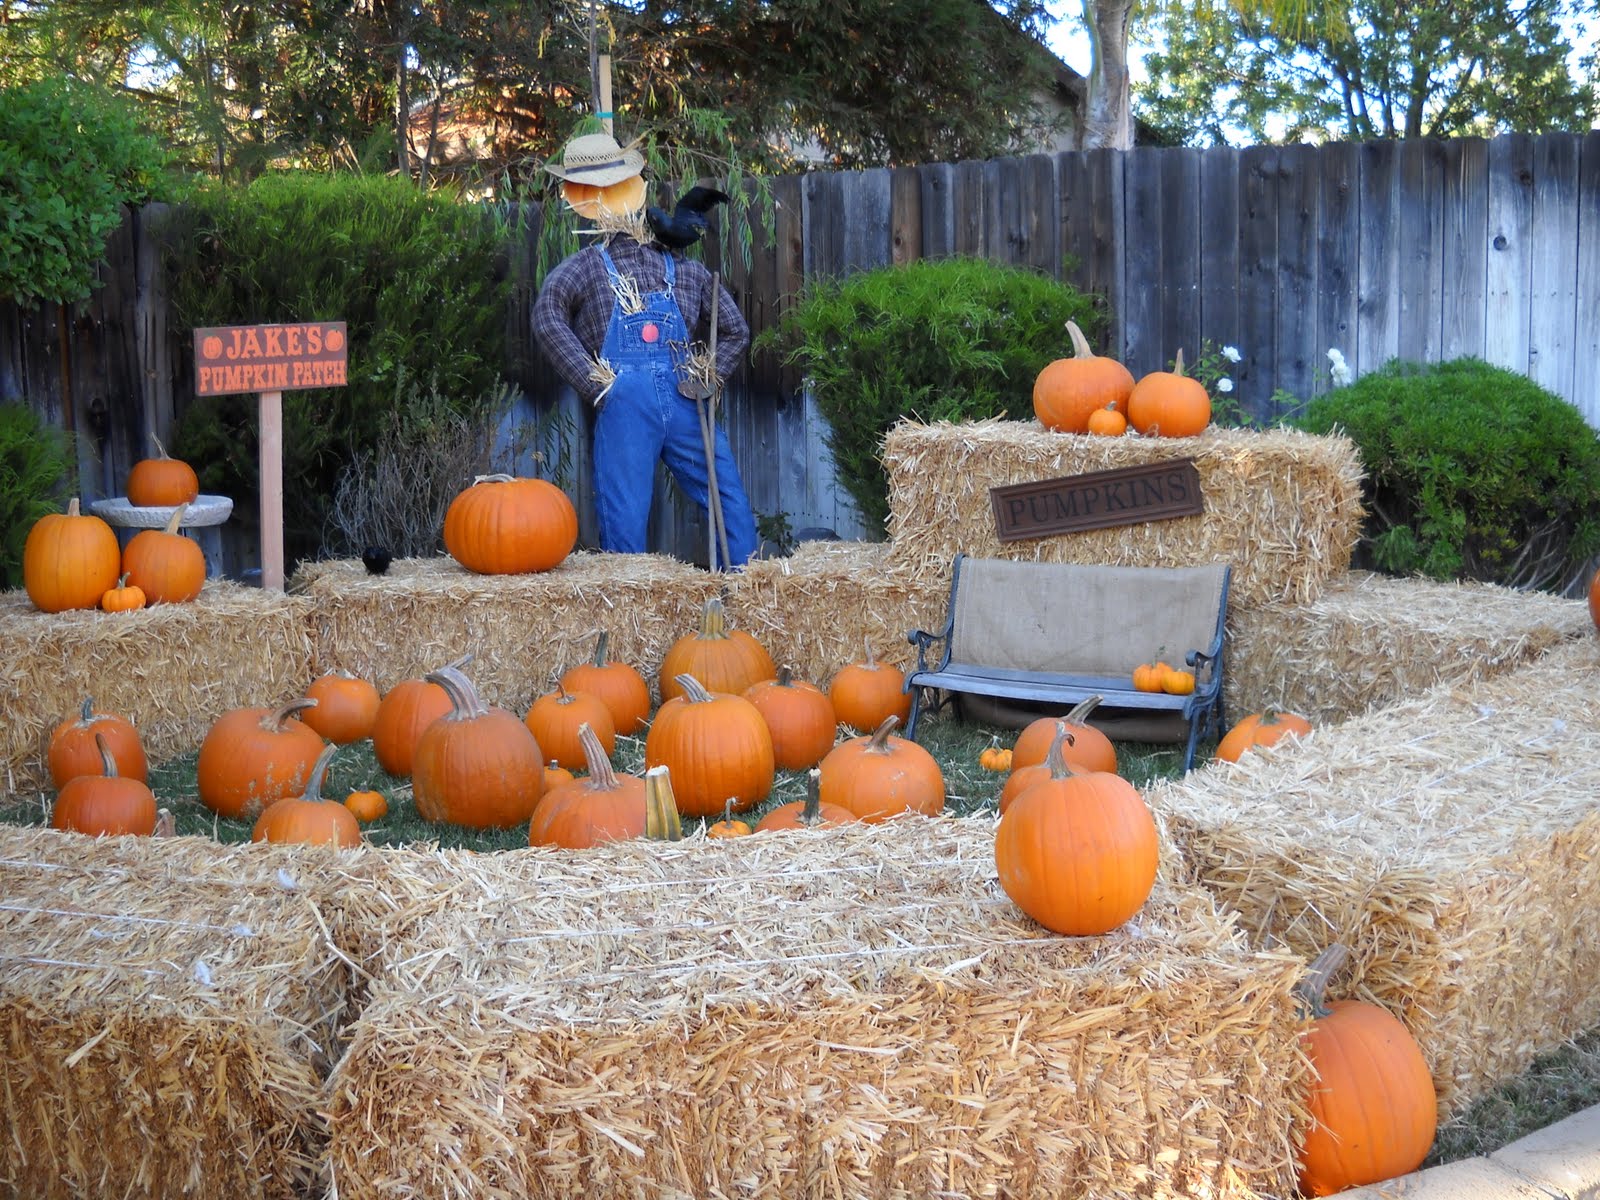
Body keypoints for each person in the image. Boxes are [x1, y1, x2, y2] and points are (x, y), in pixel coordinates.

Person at [532, 132, 758, 568]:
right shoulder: (597, 267)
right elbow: (736, 332)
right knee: (685, 503)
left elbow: (546, 317)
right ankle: (741, 587)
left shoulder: (679, 270)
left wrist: (702, 376)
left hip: (675, 399)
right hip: (634, 401)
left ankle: (738, 591)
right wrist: (595, 383)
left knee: (645, 512)